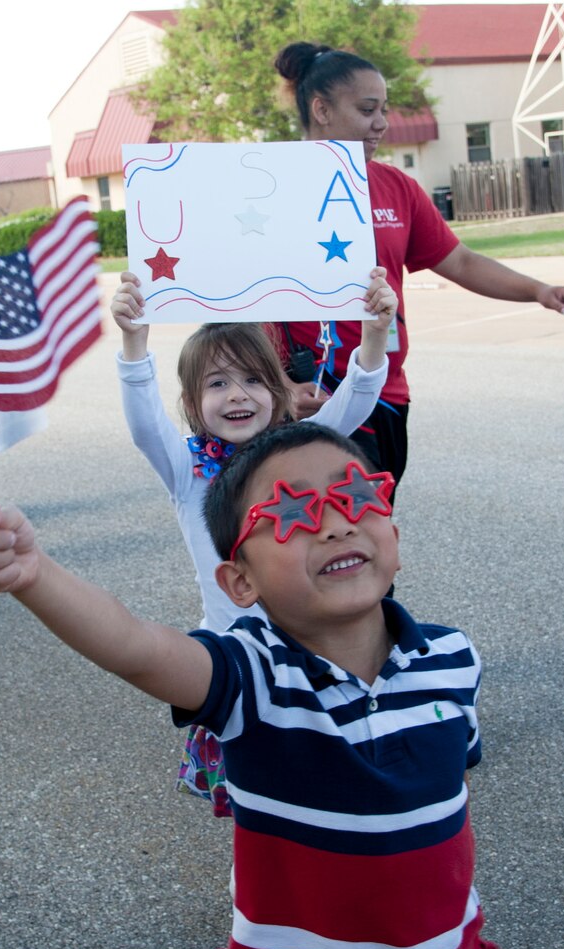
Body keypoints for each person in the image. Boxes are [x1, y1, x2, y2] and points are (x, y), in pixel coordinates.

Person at [0, 421, 532, 949]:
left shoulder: (451, 660)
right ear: (240, 583)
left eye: (355, 493)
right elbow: (137, 646)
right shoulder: (250, 678)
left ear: (391, 522)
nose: (333, 521)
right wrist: (32, 572)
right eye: (291, 512)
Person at [112, 267, 395, 811]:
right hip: (237, 659)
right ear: (194, 403)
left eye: (253, 380)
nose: (237, 396)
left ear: (278, 389)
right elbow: (145, 424)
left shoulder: (296, 454)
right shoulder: (186, 470)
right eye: (217, 384)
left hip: (317, 652)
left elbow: (352, 408)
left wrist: (375, 334)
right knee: (257, 793)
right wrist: (134, 340)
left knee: (330, 779)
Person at [274, 41, 564, 485]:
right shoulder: (268, 185)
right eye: (368, 110)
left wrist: (538, 291)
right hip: (307, 401)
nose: (382, 123)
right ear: (322, 109)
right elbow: (238, 304)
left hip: (384, 393)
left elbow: (459, 260)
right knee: (326, 536)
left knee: (370, 531)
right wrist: (278, 387)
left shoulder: (395, 187)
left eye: (384, 109)